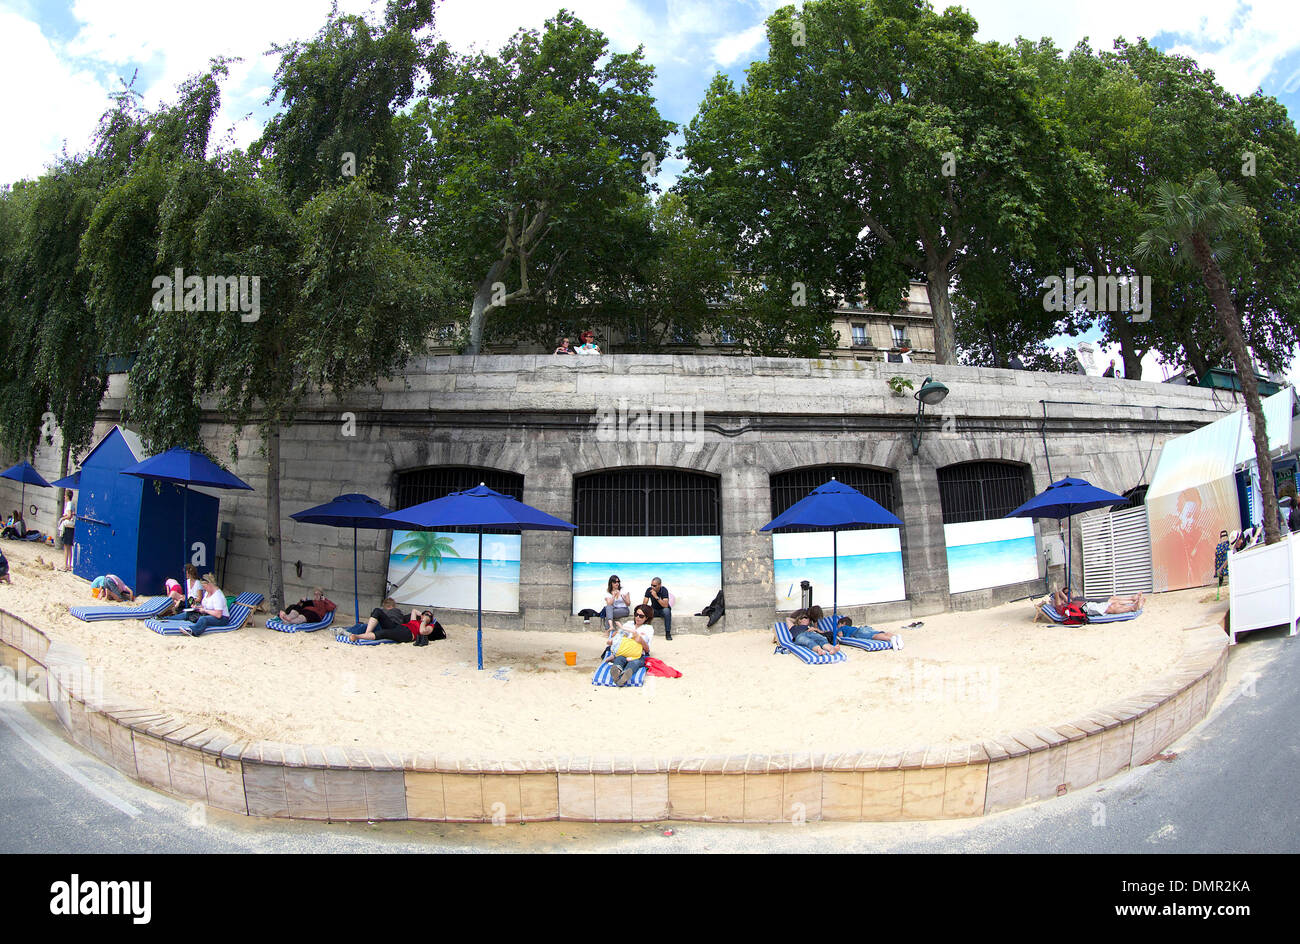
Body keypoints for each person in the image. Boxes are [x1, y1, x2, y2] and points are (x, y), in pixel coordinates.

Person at [604, 604, 654, 686]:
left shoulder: (648, 629)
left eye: (641, 616)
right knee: (619, 659)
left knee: (635, 662)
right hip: (623, 651)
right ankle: (616, 671)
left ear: (647, 618)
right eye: (636, 615)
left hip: (637, 654)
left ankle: (625, 676)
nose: (637, 617)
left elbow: (647, 649)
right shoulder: (628, 624)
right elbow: (619, 636)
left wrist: (640, 640)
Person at [349, 606, 444, 645]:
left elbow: (422, 631)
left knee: (384, 633)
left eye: (429, 615)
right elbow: (414, 610)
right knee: (377, 611)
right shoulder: (415, 620)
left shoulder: (430, 626)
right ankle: (367, 633)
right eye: (425, 614)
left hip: (408, 634)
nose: (427, 615)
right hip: (400, 627)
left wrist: (425, 620)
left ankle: (358, 637)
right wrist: (422, 615)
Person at [1049, 588, 1144, 616]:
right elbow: (1057, 593)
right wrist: (1055, 592)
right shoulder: (1060, 608)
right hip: (1083, 609)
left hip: (1085, 606)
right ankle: (1132, 608)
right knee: (1109, 608)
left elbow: (1059, 594)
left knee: (1111, 604)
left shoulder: (1066, 604)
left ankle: (1132, 606)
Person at [836, 616, 903, 650]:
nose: (837, 626)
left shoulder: (842, 627)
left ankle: (890, 639)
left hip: (858, 632)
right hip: (865, 628)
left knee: (874, 636)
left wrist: (838, 634)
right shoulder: (851, 627)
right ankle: (896, 636)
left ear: (843, 623)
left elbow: (840, 635)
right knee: (879, 633)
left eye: (838, 624)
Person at [642, 576, 672, 641]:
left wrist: (656, 596)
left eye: (654, 586)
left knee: (667, 611)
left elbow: (666, 605)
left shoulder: (664, 590)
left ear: (659, 585)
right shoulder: (649, 590)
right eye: (651, 585)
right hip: (654, 610)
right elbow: (644, 604)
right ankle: (642, 632)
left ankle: (668, 633)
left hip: (662, 610)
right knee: (644, 610)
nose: (652, 587)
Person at [58, 497, 75, 570]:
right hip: (72, 527)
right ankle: (69, 565)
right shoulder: (73, 504)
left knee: (66, 546)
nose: (64, 497)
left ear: (67, 496)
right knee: (70, 546)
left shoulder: (69, 504)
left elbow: (69, 515)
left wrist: (62, 518)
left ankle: (65, 565)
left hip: (67, 526)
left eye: (65, 495)